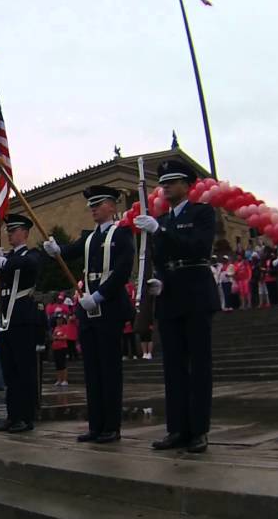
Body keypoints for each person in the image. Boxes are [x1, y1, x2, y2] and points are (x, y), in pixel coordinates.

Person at [135, 159, 217, 454]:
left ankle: (199, 430)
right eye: (163, 182)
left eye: (172, 181)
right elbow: (161, 258)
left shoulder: (202, 213)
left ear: (187, 185)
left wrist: (161, 231)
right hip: (170, 297)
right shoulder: (164, 220)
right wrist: (159, 281)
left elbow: (197, 246)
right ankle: (177, 428)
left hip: (195, 293)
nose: (165, 186)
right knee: (173, 367)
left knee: (198, 365)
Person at [45, 184, 135, 443]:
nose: (93, 209)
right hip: (88, 312)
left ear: (112, 205)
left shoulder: (121, 233)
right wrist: (56, 250)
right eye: (92, 206)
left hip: (108, 307)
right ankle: (96, 425)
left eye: (98, 205)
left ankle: (111, 426)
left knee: (109, 369)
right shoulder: (90, 237)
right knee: (92, 371)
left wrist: (99, 295)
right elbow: (70, 251)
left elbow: (122, 270)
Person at [0, 213, 44, 434]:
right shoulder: (6, 258)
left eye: (14, 231)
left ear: (25, 233)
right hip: (5, 321)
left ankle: (26, 417)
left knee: (24, 371)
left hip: (22, 319)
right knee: (10, 372)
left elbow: (27, 263)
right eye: (8, 230)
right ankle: (12, 415)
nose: (9, 234)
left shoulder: (31, 254)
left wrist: (4, 261)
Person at [51, 315, 71, 386]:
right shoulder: (56, 328)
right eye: (57, 319)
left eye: (60, 319)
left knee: (63, 364)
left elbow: (66, 336)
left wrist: (58, 338)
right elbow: (53, 336)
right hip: (55, 348)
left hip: (62, 348)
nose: (58, 321)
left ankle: (65, 380)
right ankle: (59, 380)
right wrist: (54, 338)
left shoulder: (65, 327)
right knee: (57, 365)